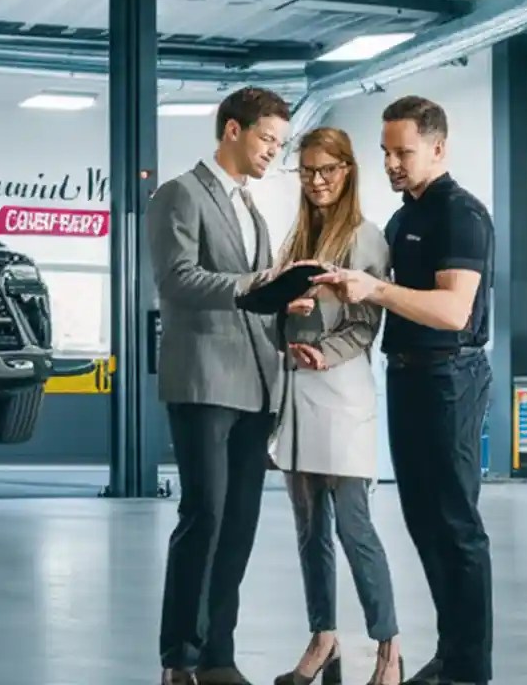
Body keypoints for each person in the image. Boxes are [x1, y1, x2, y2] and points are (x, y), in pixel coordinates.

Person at [310, 96, 495, 685]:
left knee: (456, 525)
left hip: (450, 377)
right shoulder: (402, 217)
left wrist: (377, 291)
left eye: (403, 151)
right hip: (408, 375)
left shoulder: (460, 214)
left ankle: (469, 669)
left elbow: (454, 310)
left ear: (438, 148)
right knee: (422, 520)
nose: (391, 162)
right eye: (385, 151)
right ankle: (450, 653)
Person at [146, 86, 295, 685]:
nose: (272, 154)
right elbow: (177, 279)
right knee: (203, 516)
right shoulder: (179, 194)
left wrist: (286, 296)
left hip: (257, 385)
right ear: (232, 130)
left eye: (280, 145)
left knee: (239, 525)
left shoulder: (254, 209)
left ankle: (218, 656)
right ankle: (179, 658)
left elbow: (254, 294)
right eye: (267, 140)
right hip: (205, 379)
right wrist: (252, 285)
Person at [262, 127, 403, 685]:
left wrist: (322, 352)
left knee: (353, 526)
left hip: (341, 393)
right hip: (296, 393)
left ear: (348, 170)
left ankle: (388, 650)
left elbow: (366, 324)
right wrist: (282, 327)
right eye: (307, 171)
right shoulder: (294, 239)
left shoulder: (366, 239)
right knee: (308, 530)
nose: (317, 181)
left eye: (328, 170)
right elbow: (273, 311)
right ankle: (323, 639)